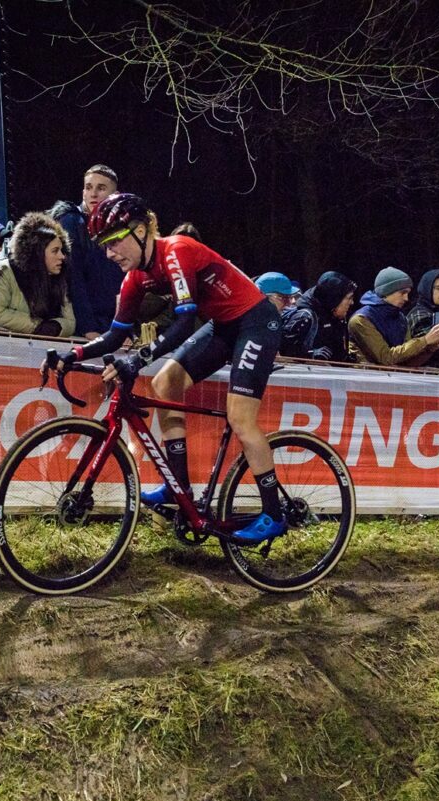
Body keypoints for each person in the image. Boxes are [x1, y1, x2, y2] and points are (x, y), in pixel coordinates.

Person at [53, 192, 285, 543]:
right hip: (224, 324)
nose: (109, 253)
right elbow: (115, 337)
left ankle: (273, 513)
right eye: (103, 245)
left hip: (255, 321)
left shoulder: (175, 250)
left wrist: (140, 358)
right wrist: (72, 354)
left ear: (143, 230)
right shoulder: (134, 279)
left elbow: (184, 321)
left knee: (240, 417)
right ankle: (180, 491)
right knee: (164, 383)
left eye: (115, 241)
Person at [51, 164, 125, 339]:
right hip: (84, 328)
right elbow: (74, 280)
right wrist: (87, 327)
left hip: (111, 325)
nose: (93, 193)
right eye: (88, 187)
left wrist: (122, 328)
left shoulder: (118, 228)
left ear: (115, 195)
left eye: (101, 188)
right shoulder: (71, 222)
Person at [0, 211, 76, 336]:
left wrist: (56, 327)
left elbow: (70, 321)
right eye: (55, 251)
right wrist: (38, 326)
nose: (62, 256)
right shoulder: (5, 271)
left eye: (62, 250)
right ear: (37, 253)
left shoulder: (59, 276)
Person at [349, 267, 439, 367]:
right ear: (387, 292)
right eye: (403, 293)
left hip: (394, 379)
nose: (406, 298)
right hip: (366, 378)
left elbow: (407, 362)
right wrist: (425, 340)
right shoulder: (361, 319)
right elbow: (385, 357)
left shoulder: (400, 318)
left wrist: (429, 349)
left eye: (408, 293)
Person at [279, 270, 356, 362]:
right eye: (349, 298)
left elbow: (337, 353)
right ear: (334, 299)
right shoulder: (304, 317)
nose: (352, 303)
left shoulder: (333, 315)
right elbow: (283, 354)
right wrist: (309, 355)